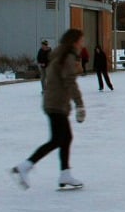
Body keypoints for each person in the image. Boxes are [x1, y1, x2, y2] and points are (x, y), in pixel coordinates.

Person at [11, 28, 86, 190]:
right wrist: (79, 104)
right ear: (74, 42)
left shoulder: (60, 55)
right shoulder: (66, 57)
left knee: (65, 138)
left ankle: (65, 173)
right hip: (56, 104)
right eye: (81, 40)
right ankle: (25, 166)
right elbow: (70, 82)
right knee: (57, 140)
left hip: (54, 103)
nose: (83, 43)